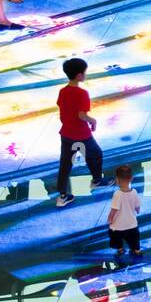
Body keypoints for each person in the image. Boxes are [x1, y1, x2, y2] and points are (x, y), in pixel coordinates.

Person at [56, 57, 109, 207]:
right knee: (96, 154)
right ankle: (97, 181)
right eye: (84, 73)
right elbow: (81, 115)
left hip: (66, 133)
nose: (85, 75)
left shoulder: (63, 91)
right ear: (79, 75)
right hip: (81, 134)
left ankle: (62, 196)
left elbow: (63, 109)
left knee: (65, 165)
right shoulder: (82, 93)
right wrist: (93, 121)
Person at [106, 164, 142, 263]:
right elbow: (137, 206)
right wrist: (137, 211)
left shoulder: (117, 194)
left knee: (115, 237)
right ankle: (137, 250)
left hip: (118, 226)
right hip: (132, 224)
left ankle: (120, 249)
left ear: (117, 180)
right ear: (131, 178)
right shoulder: (134, 192)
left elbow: (114, 209)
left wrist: (109, 219)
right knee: (134, 239)